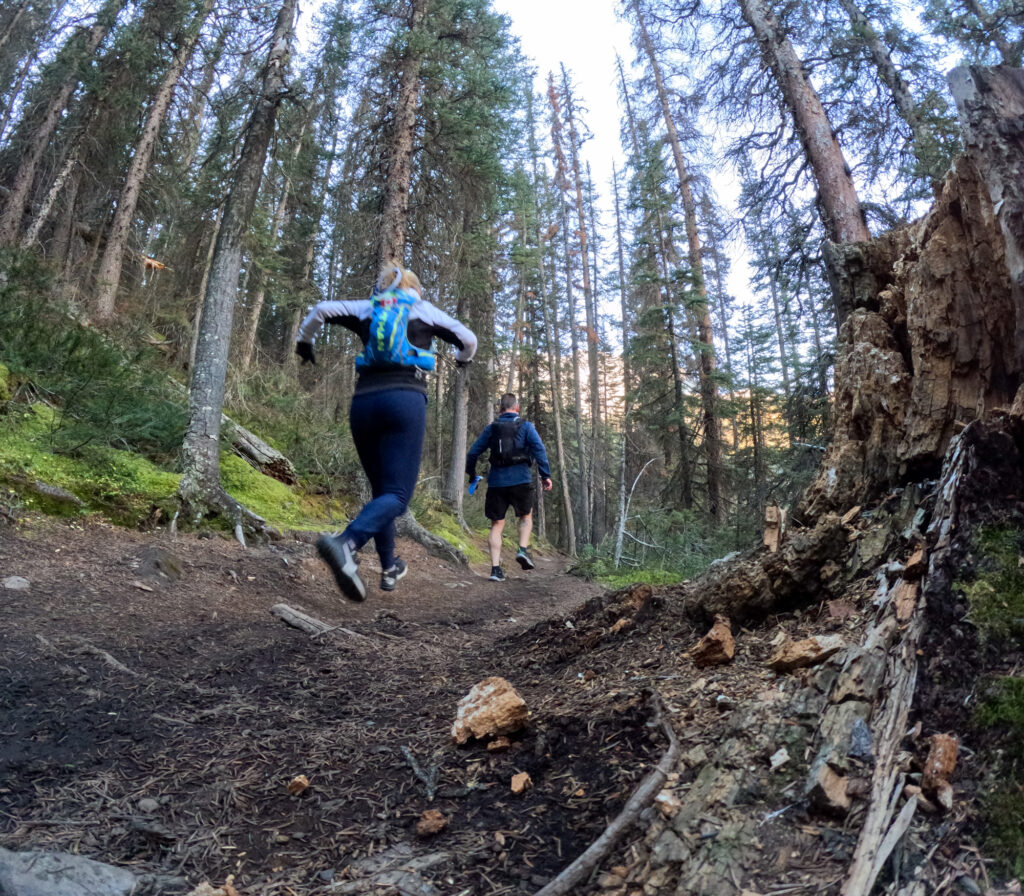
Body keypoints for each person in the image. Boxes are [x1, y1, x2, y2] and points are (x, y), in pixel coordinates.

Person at [296, 262, 477, 601]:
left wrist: (304, 342)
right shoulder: (423, 309)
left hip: (363, 404)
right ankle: (346, 543)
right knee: (397, 496)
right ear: (417, 290)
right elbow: (469, 339)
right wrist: (462, 358)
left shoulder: (367, 308)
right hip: (404, 400)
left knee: (383, 492)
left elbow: (321, 310)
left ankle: (389, 565)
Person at [466, 393, 553, 582]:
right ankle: (522, 549)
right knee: (526, 516)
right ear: (517, 408)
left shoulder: (491, 429)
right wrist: (545, 475)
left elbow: (472, 453)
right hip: (521, 479)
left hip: (497, 481)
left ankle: (495, 570)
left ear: (500, 409)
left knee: (497, 525)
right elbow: (539, 449)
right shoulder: (526, 426)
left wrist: (471, 475)